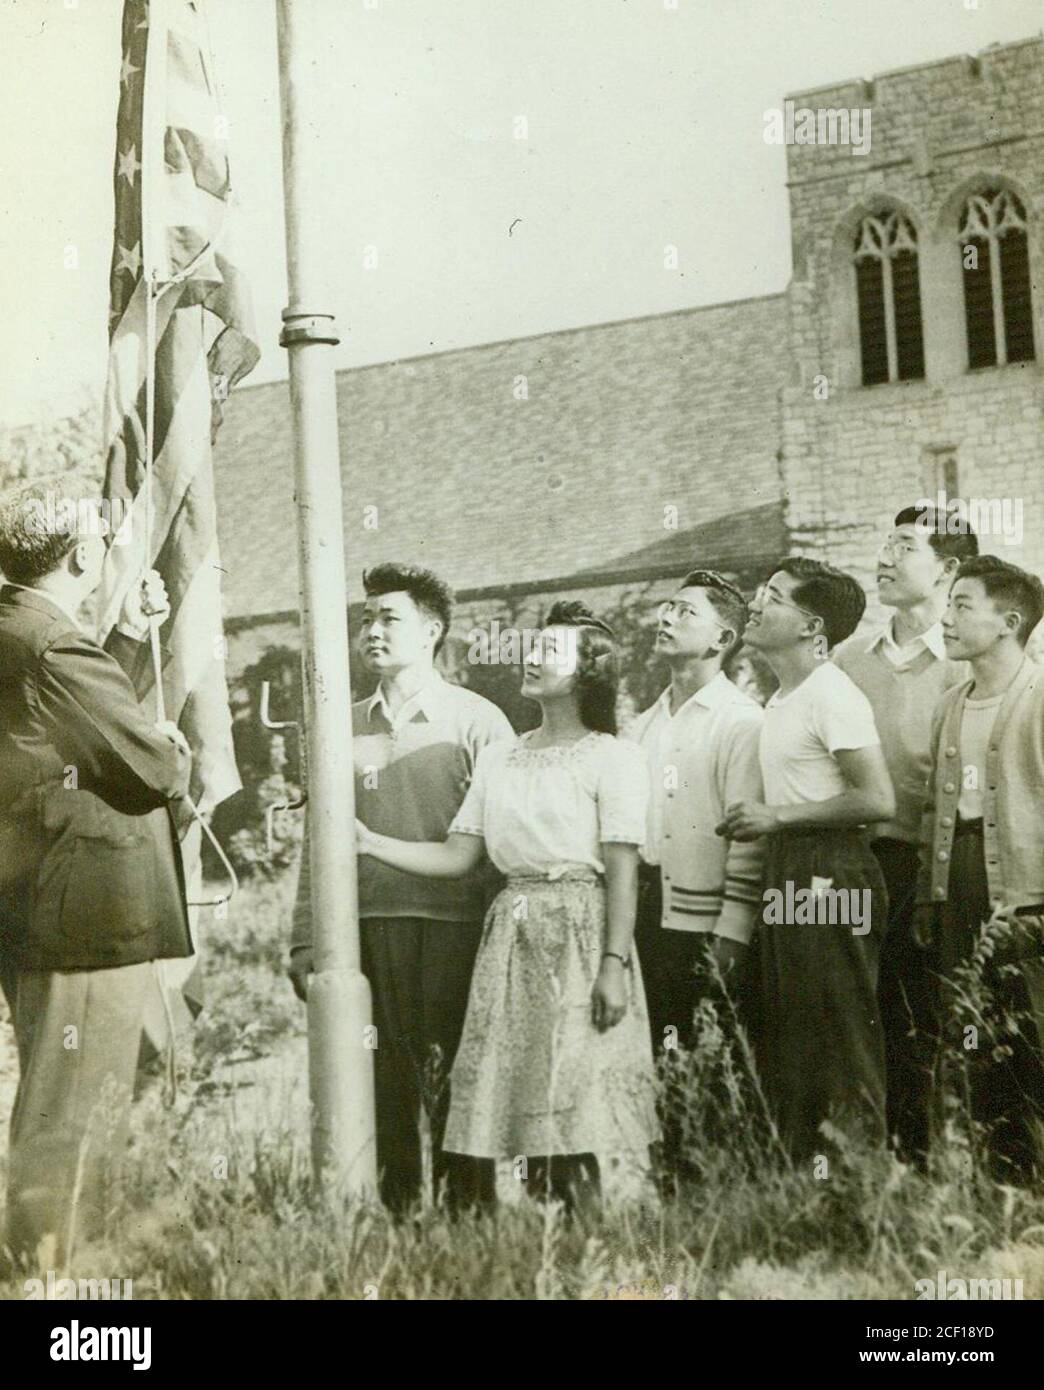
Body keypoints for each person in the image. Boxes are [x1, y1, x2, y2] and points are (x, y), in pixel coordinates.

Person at [356, 600, 658, 1218]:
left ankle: (587, 1240)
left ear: (587, 671)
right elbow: (458, 856)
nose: (531, 657)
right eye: (531, 647)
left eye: (550, 651)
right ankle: (524, 1243)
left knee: (571, 1090)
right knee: (518, 1086)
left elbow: (624, 870)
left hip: (580, 927)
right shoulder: (501, 756)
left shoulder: (613, 756)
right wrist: (368, 842)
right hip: (510, 935)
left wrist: (613, 964)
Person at [0, 480, 192, 1266]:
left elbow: (61, 741)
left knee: (67, 1103)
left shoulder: (21, 629)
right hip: (83, 916)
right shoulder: (50, 641)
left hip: (49, 906)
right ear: (84, 555)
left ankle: (56, 1270)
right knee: (72, 1117)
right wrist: (171, 747)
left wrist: (116, 641)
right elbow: (145, 768)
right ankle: (49, 1283)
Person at [289, 562, 513, 1215]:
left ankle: (470, 1218)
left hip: (454, 931)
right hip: (360, 934)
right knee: (382, 1083)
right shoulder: (340, 725)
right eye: (366, 620)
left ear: (432, 631)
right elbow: (317, 840)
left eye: (389, 618)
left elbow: (499, 845)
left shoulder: (479, 722)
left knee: (455, 1080)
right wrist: (306, 934)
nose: (372, 632)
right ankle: (398, 1217)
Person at [720, 557, 895, 1159]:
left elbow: (877, 798)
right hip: (791, 868)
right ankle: (810, 1184)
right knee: (796, 1027)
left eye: (774, 596)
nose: (756, 604)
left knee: (840, 1030)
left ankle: (863, 1186)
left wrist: (778, 817)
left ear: (810, 626)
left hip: (833, 870)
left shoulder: (830, 693)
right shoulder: (782, 697)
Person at [834, 505, 977, 1166]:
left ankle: (941, 1164)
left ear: (947, 570)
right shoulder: (846, 660)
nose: (884, 558)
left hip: (933, 868)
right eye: (884, 544)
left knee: (931, 1019)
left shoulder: (967, 668)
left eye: (904, 546)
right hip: (847, 866)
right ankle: (867, 1164)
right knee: (860, 1017)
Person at [627, 570, 764, 1186]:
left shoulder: (740, 721)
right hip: (646, 912)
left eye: (685, 612)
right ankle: (672, 1186)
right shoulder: (645, 723)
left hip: (706, 919)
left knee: (715, 1055)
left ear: (722, 638)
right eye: (666, 607)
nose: (666, 618)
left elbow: (748, 834)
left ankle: (724, 1186)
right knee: (661, 1050)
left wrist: (732, 930)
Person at [915, 555, 1044, 1183]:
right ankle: (989, 1183)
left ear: (1009, 621)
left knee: (1028, 1038)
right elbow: (934, 812)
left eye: (964, 605)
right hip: (959, 886)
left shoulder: (1040, 697)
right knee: (967, 1034)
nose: (947, 616)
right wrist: (928, 897)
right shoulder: (950, 704)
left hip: (1027, 896)